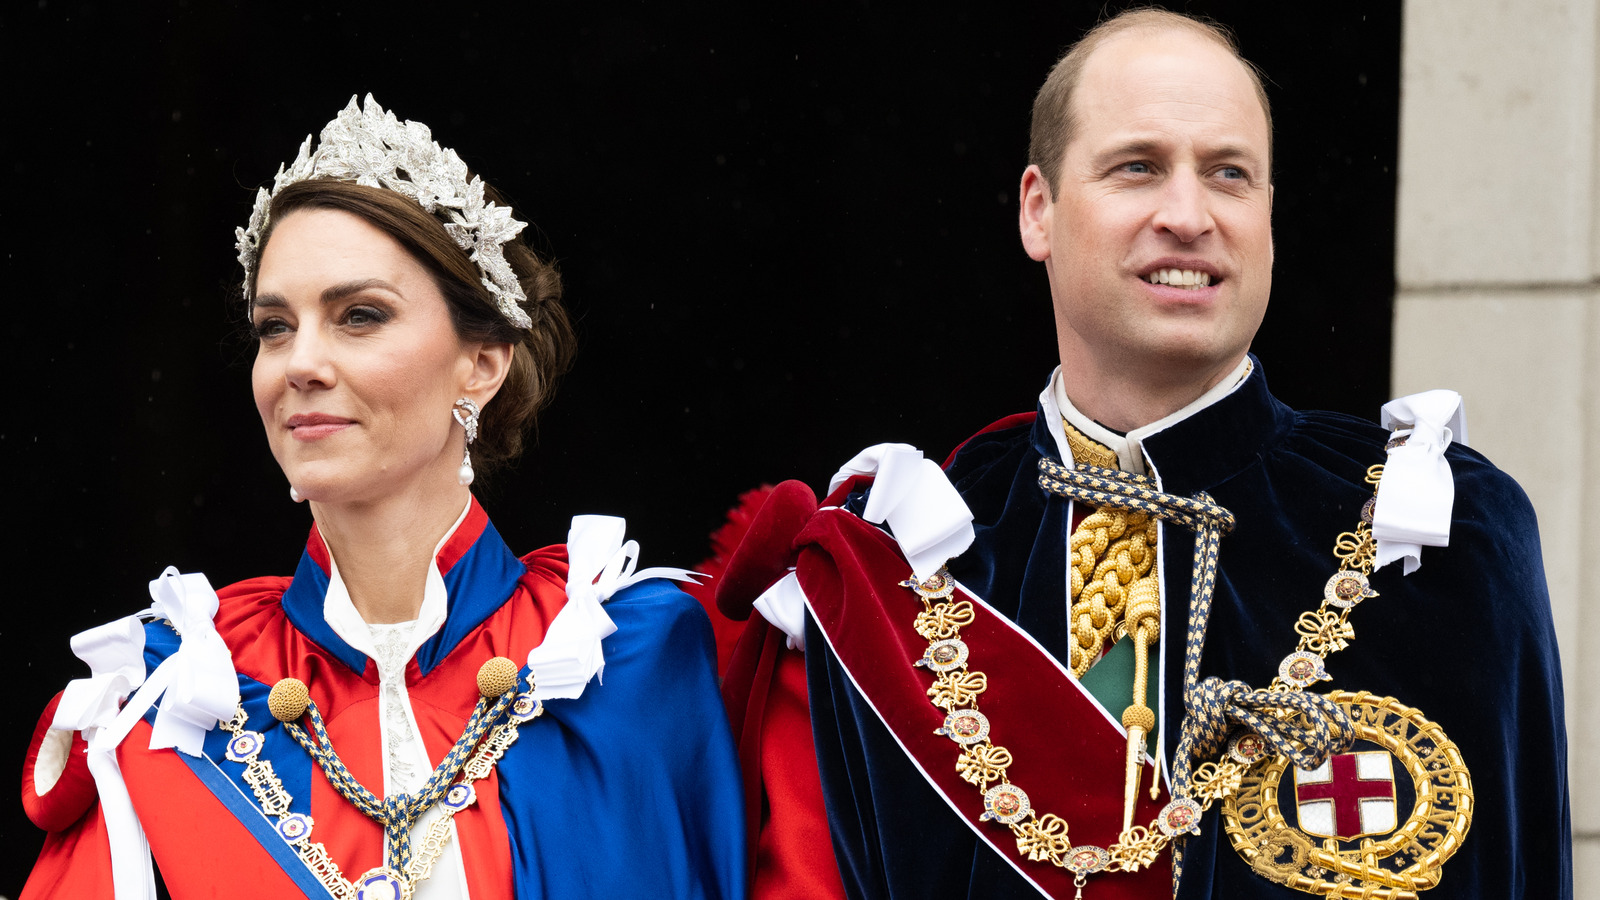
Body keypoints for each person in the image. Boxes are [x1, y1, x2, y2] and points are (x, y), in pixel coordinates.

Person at [709, 10, 1571, 899]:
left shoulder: (1440, 530)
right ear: (1038, 211)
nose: (1188, 215)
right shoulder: (898, 562)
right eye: (1139, 168)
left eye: (1229, 175)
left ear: (1269, 215)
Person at [19, 95, 745, 900]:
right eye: (274, 327)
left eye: (359, 316)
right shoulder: (178, 696)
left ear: (483, 361)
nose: (301, 363)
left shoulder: (625, 656)